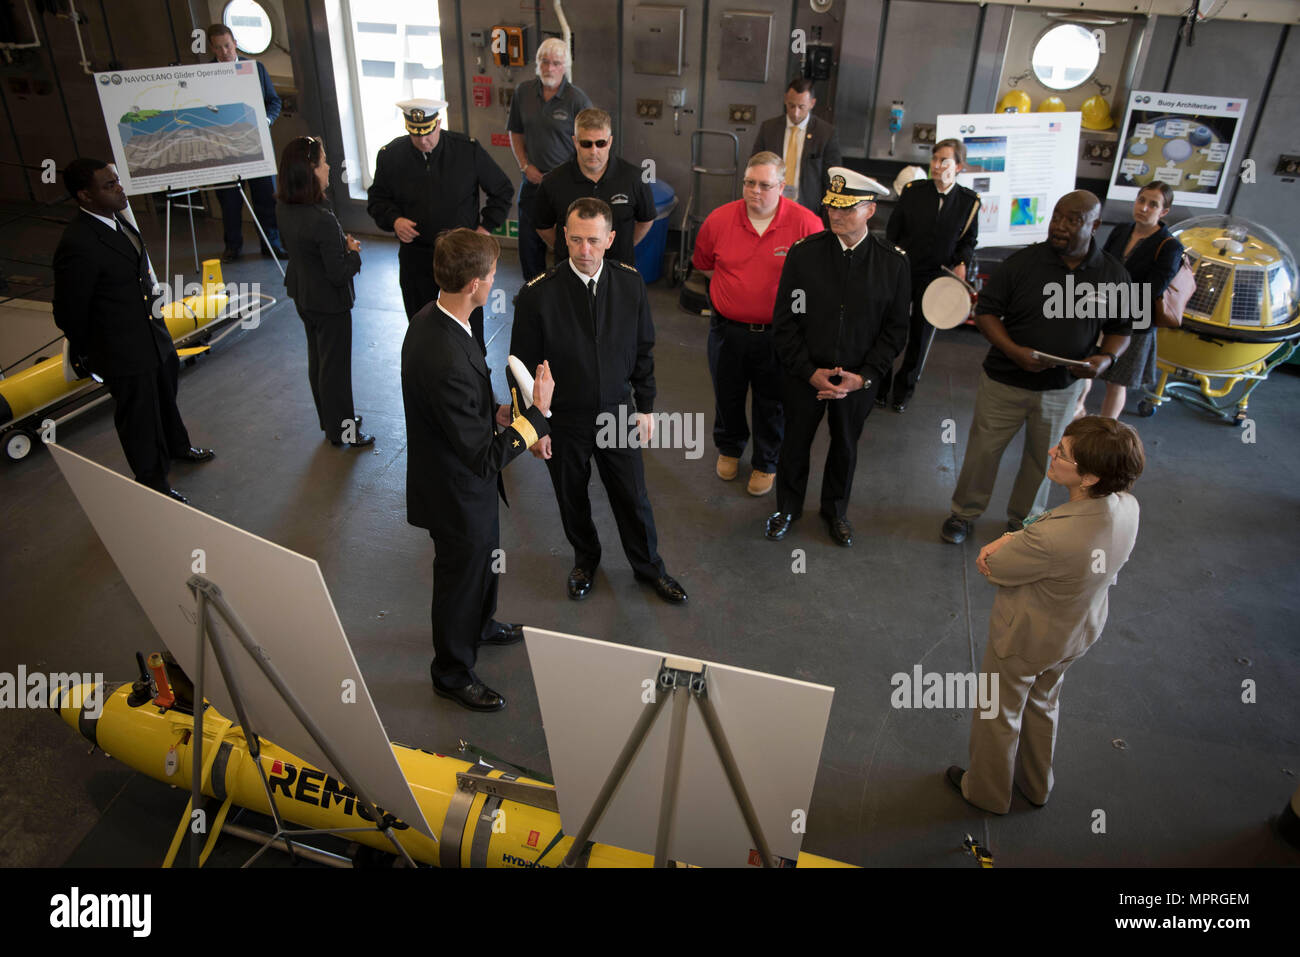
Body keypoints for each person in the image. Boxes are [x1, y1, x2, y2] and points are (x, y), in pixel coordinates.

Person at [946, 415, 1144, 813]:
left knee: (997, 711)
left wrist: (1003, 541)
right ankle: (1036, 785)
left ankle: (986, 792)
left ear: (1088, 478)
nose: (1052, 452)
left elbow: (996, 568)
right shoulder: (1125, 505)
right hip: (1078, 630)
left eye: (1064, 454)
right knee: (1044, 700)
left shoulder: (1050, 538)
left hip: (1026, 638)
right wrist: (1016, 536)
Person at [401, 229, 554, 713]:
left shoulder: (439, 318)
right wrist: (536, 418)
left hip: (465, 487)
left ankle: (481, 625)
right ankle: (451, 670)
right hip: (455, 493)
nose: (493, 281)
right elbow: (483, 458)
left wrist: (494, 413)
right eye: (489, 274)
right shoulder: (445, 352)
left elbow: (461, 406)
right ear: (474, 283)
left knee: (483, 562)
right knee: (459, 580)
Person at [511, 198, 687, 605]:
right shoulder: (538, 295)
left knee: (632, 495)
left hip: (616, 414)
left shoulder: (630, 284)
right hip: (564, 418)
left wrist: (645, 407)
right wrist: (533, 427)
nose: (584, 250)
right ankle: (585, 562)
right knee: (571, 496)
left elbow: (644, 349)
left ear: (610, 239)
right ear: (565, 238)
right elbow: (519, 369)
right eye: (575, 240)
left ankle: (649, 569)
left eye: (593, 240)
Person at [941, 191, 1133, 546]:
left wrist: (1106, 359)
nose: (1060, 226)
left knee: (1046, 462)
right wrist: (1014, 351)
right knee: (983, 452)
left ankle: (1024, 523)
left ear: (1096, 226)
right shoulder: (1021, 263)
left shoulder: (1114, 274)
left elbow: (1123, 329)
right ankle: (963, 514)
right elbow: (986, 313)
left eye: (1073, 220)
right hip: (1004, 380)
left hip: (1062, 388)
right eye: (1057, 217)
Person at [52, 159, 214, 502]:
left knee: (165, 399)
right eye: (109, 185)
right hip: (121, 349)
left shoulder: (118, 222)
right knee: (140, 418)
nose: (120, 189)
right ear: (84, 195)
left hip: (152, 337)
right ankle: (153, 482)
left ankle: (177, 447)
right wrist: (95, 351)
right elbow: (68, 310)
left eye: (117, 181)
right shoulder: (78, 242)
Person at [765, 168, 910, 546]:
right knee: (795, 441)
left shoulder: (892, 264)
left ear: (871, 211)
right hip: (805, 375)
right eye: (831, 205)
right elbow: (785, 321)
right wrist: (807, 370)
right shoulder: (804, 255)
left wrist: (863, 378)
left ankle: (835, 512)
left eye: (847, 208)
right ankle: (787, 508)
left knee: (845, 445)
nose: (835, 214)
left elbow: (895, 331)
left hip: (858, 379)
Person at [691, 151, 824, 496]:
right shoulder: (719, 220)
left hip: (779, 336)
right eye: (749, 183)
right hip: (727, 331)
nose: (755, 191)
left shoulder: (807, 225)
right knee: (727, 395)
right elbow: (705, 264)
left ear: (782, 187)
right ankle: (730, 448)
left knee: (772, 401)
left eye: (765, 185)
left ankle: (766, 461)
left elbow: (819, 280)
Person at [368, 99, 513, 319]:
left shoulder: (467, 150)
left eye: (428, 132)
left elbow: (502, 190)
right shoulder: (391, 155)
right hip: (417, 255)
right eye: (416, 134)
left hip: (462, 257)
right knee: (421, 320)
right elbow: (377, 200)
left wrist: (484, 229)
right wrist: (394, 220)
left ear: (438, 123)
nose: (423, 141)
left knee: (469, 326)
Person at [275, 136, 373, 449]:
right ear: (311, 171)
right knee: (336, 371)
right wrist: (353, 252)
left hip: (303, 293)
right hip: (330, 303)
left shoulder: (286, 207)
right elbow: (339, 272)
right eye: (324, 161)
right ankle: (344, 432)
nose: (329, 166)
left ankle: (331, 422)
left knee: (318, 362)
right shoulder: (322, 219)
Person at [878, 138, 981, 412]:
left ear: (958, 166)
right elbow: (894, 231)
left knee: (921, 334)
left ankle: (903, 390)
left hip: (937, 276)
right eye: (934, 160)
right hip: (905, 269)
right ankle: (880, 385)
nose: (936, 166)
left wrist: (962, 261)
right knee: (891, 327)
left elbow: (968, 241)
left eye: (944, 161)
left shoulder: (969, 202)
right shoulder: (914, 191)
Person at [507, 37, 592, 280]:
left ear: (565, 66)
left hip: (566, 186)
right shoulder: (523, 92)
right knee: (529, 244)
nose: (549, 68)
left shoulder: (577, 100)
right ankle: (533, 293)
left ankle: (565, 291)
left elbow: (589, 145)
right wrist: (524, 165)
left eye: (556, 63)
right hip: (532, 181)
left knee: (565, 244)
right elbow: (515, 132)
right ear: (537, 64)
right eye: (545, 62)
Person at [1097, 182, 1182, 418]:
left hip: (1134, 321)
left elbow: (1154, 289)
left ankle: (1105, 429)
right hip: (1103, 311)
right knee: (1087, 367)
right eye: (1141, 200)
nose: (1143, 208)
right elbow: (1102, 264)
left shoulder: (1170, 246)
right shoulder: (1122, 230)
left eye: (1153, 204)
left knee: (1116, 381)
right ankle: (1078, 413)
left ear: (1163, 212)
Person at [532, 108, 654, 270]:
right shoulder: (552, 182)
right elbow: (543, 227)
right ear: (575, 142)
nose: (593, 151)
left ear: (609, 142)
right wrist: (569, 248)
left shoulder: (634, 179)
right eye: (586, 144)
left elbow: (646, 220)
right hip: (570, 273)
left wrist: (621, 246)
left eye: (600, 143)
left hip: (619, 271)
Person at [208, 24, 286, 263]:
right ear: (212, 49)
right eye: (219, 48)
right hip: (223, 148)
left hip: (256, 145)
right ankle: (233, 246)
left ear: (235, 43)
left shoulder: (255, 69)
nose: (224, 52)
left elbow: (274, 102)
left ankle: (271, 244)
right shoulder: (204, 75)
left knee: (265, 198)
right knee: (229, 202)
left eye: (227, 46)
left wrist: (265, 120)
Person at [751, 77, 843, 216]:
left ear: (812, 103)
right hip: (770, 205)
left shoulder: (825, 133)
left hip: (808, 208)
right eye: (791, 105)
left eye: (801, 107)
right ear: (785, 99)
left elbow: (832, 177)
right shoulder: (769, 128)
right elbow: (755, 166)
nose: (795, 112)